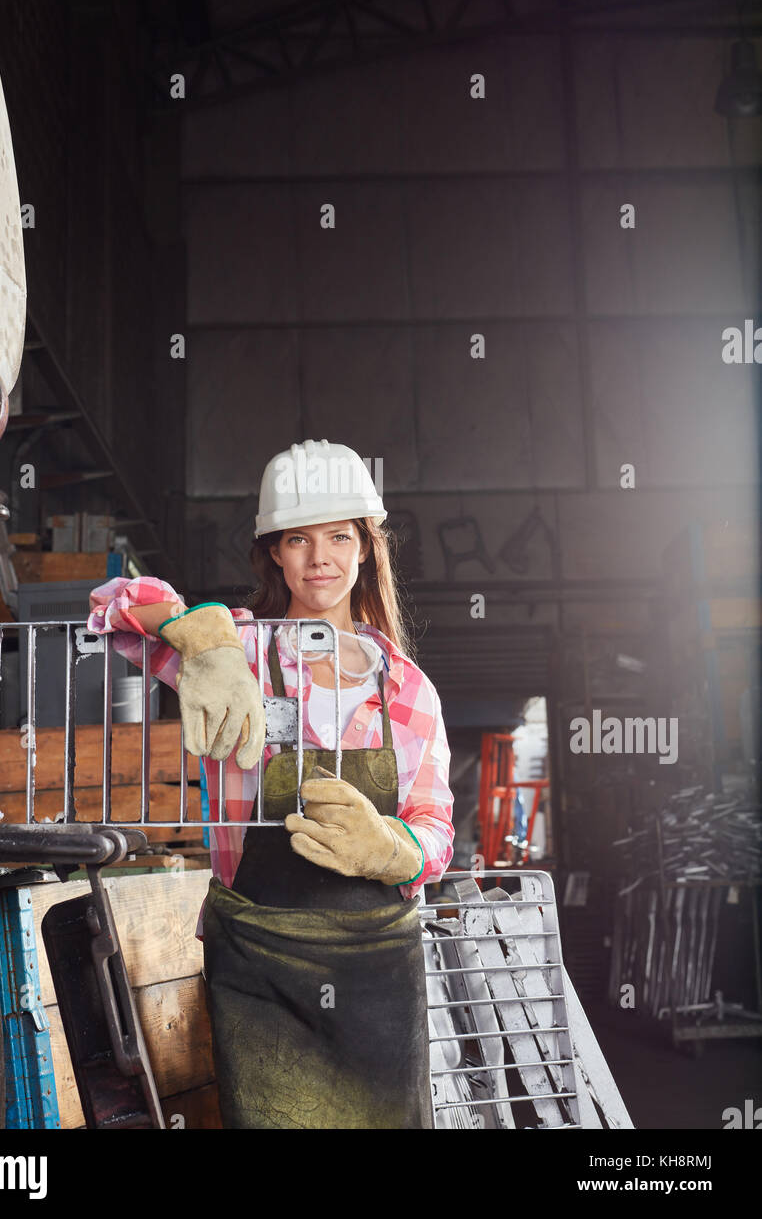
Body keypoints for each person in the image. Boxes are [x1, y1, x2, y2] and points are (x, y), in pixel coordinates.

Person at [87, 439, 454, 1128]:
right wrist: (202, 637)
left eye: (340, 536)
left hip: (375, 968)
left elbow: (436, 828)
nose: (320, 557)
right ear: (274, 554)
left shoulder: (403, 686)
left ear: (367, 549)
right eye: (298, 539)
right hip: (259, 959)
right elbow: (113, 603)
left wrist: (391, 848)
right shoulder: (241, 656)